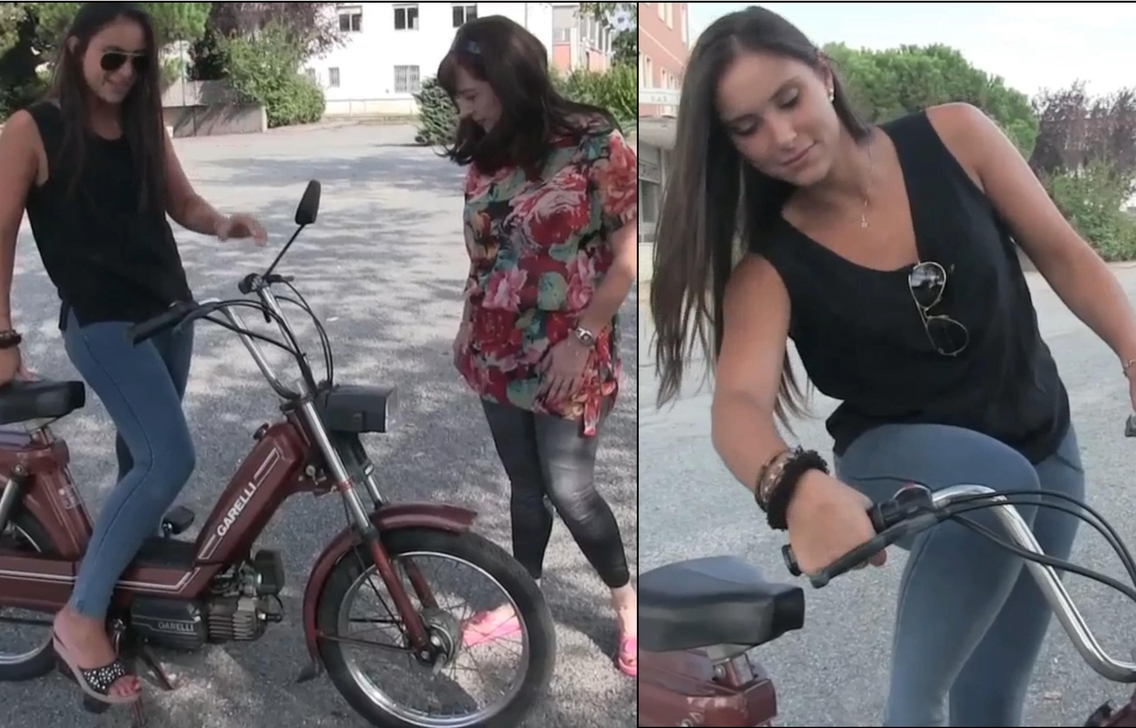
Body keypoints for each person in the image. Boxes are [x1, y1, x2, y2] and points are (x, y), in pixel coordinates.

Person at [648, 5, 1136, 726]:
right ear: (733, 146)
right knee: (922, 697)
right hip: (901, 460)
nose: (781, 135)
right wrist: (795, 488)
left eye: (788, 100)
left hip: (1046, 445)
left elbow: (1065, 253)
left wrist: (1131, 349)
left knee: (992, 698)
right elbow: (738, 406)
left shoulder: (957, 135)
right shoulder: (769, 267)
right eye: (748, 127)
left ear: (822, 73)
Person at [0, 3, 267, 706]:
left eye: (139, 62)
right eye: (112, 58)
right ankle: (81, 615)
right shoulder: (30, 130)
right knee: (169, 458)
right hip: (104, 326)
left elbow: (180, 201)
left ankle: (131, 593)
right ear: (75, 51)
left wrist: (221, 223)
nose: (126, 74)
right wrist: (1, 338)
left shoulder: (140, 124)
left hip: (171, 313)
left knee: (143, 463)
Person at [437, 16, 639, 677]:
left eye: (471, 95)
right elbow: (486, 253)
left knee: (571, 489)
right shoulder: (486, 149)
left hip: (567, 349)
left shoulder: (593, 142)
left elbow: (626, 262)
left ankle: (631, 610)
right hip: (496, 347)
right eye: (459, 100)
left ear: (508, 78)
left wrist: (583, 340)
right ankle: (526, 600)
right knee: (526, 488)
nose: (464, 112)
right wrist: (469, 323)